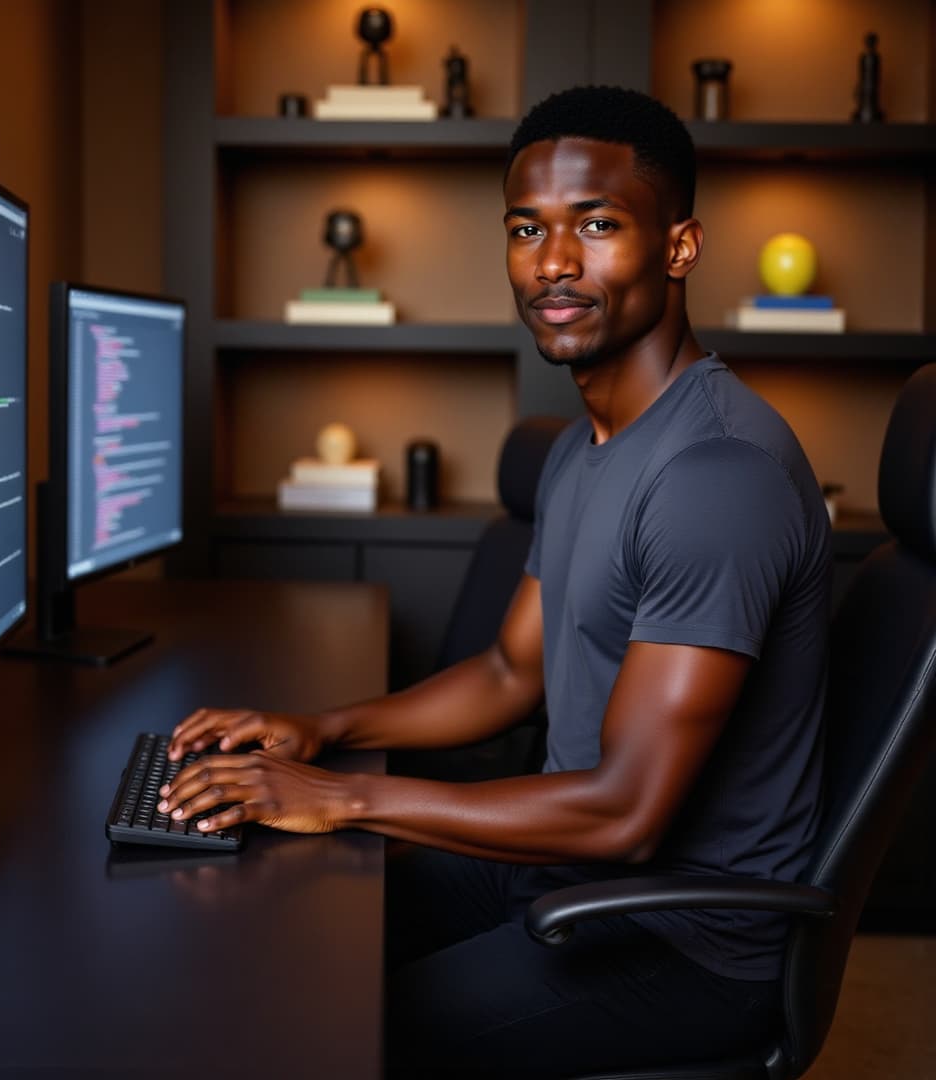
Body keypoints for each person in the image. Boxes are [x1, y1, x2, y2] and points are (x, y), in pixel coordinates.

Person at [157, 85, 832, 1077]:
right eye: (528, 229)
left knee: (328, 1026)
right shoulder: (582, 449)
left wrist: (341, 798)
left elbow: (625, 812)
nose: (554, 263)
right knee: (283, 926)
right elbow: (511, 675)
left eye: (597, 225)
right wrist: (322, 733)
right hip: (565, 870)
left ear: (680, 246)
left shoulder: (714, 477)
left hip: (679, 941)